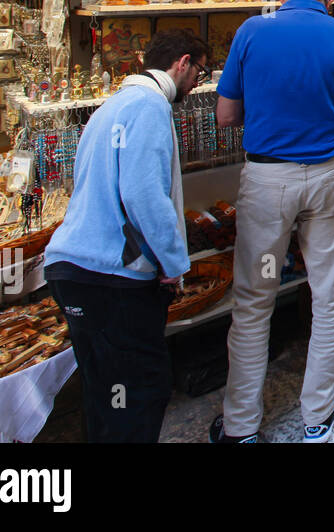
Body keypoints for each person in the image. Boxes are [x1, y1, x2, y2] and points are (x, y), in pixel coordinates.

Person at [212, 0, 334, 444]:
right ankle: (318, 413)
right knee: (329, 292)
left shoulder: (252, 30)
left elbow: (225, 116)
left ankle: (241, 424)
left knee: (255, 297)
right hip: (329, 178)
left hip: (269, 184)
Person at [44, 30, 210, 442]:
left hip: (74, 269)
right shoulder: (150, 106)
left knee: (106, 394)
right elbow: (143, 195)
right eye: (199, 73)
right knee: (139, 393)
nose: (196, 85)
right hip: (110, 277)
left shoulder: (109, 108)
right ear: (182, 62)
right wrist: (174, 265)